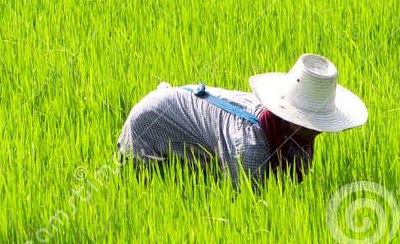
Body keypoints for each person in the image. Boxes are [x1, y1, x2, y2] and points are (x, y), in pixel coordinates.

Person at [116, 54, 366, 185]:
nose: (319, 131)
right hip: (150, 123)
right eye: (315, 123)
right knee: (158, 192)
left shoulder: (291, 134)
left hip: (178, 109)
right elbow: (247, 214)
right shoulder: (251, 151)